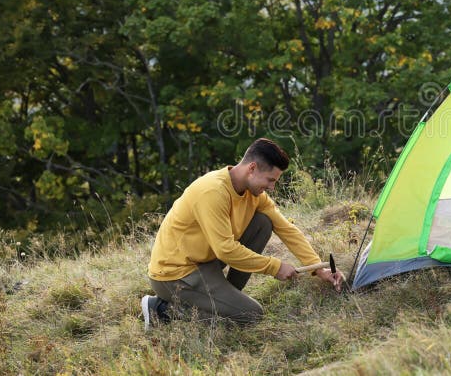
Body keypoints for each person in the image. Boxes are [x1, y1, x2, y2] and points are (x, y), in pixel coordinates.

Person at [141, 138, 343, 330]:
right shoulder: (213, 192)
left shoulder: (254, 194)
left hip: (206, 261)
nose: (272, 187)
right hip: (176, 274)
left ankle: (227, 298)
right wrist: (274, 267)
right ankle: (161, 310)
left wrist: (318, 268)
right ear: (252, 168)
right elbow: (226, 250)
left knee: (263, 223)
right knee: (251, 315)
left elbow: (286, 229)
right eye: (270, 180)